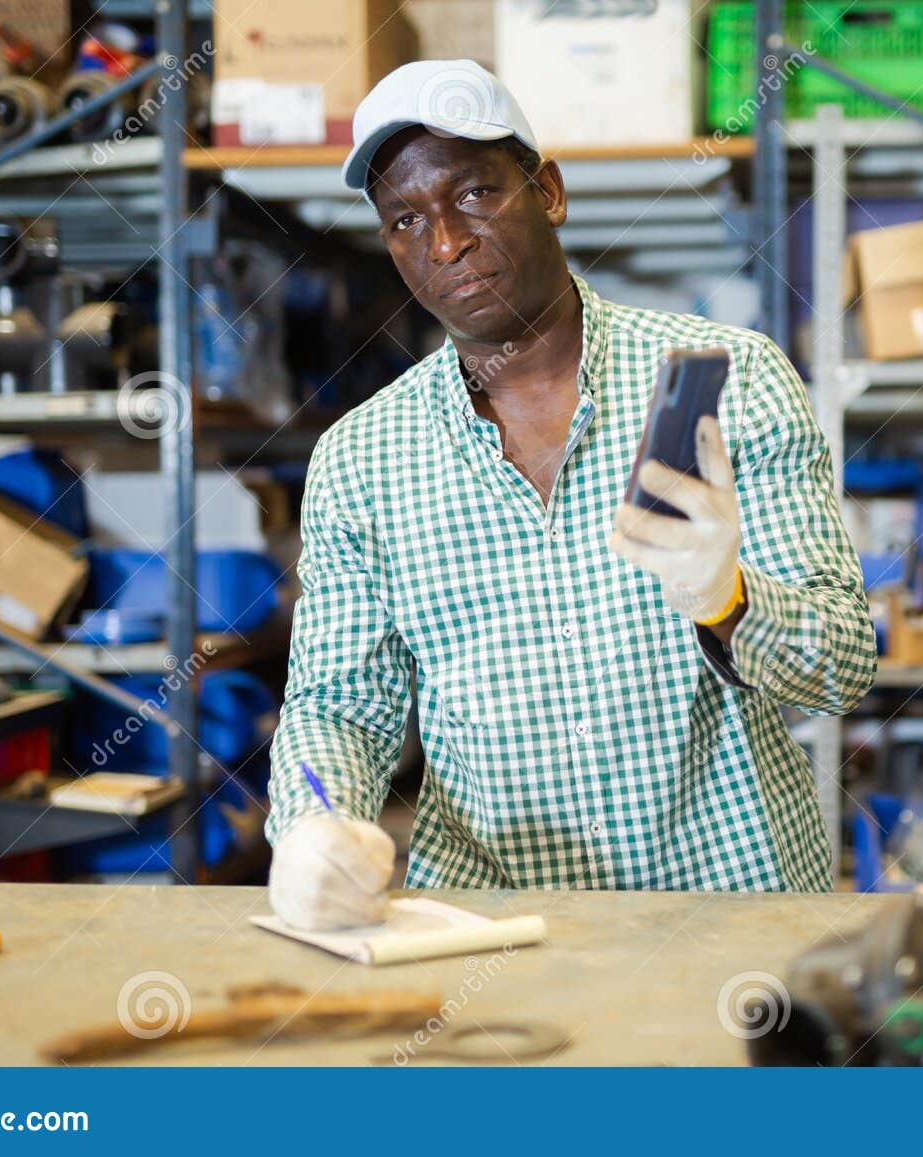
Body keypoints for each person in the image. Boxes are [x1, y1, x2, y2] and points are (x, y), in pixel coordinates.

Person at [266, 60, 876, 929]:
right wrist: (313, 821)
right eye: (406, 219)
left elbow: (843, 667)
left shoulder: (723, 381)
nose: (445, 243)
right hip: (489, 930)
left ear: (547, 190)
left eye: (473, 194)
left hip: (731, 915)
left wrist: (730, 599)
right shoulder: (361, 459)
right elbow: (338, 708)